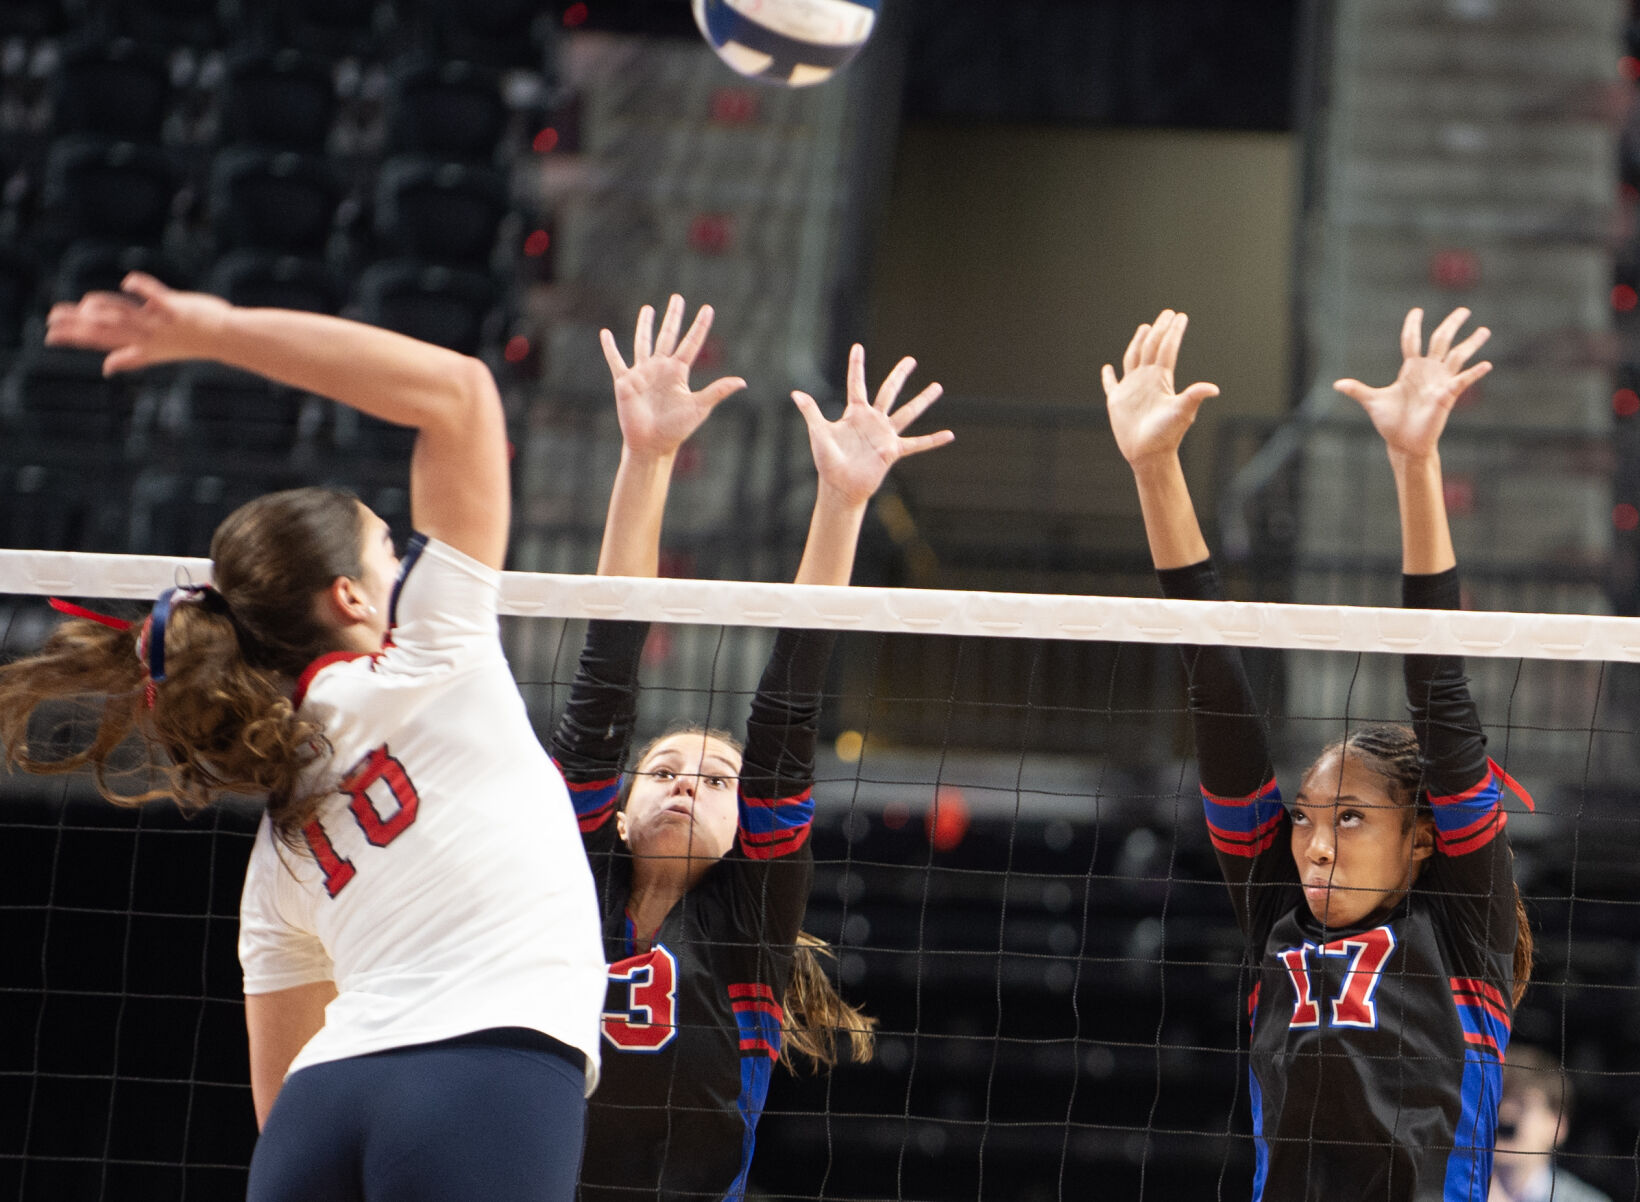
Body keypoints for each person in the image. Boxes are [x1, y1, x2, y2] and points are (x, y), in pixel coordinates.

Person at [2, 274, 606, 1202]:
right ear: (353, 597)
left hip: (320, 1115)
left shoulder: (278, 838)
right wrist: (220, 330)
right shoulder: (434, 653)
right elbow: (460, 391)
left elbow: (276, 1097)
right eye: (391, 549)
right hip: (485, 1077)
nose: (409, 561)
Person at [1104, 305, 1534, 1201]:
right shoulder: (1278, 912)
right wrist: (1154, 469)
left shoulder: (1464, 932)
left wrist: (1415, 462)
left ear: (1421, 838)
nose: (1316, 845)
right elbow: (1217, 693)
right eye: (1305, 819)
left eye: (1351, 818)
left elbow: (1440, 692)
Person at [551, 297, 952, 1202]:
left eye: (718, 779)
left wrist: (841, 502)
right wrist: (646, 458)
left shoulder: (749, 932)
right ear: (618, 812)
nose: (687, 784)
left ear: (747, 828)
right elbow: (604, 671)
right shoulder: (571, 885)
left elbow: (787, 712)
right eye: (662, 772)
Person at [1491, 1045, 1613, 1202]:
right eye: (1498, 1102)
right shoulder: (1461, 1190)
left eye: (1522, 1105)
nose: (1505, 1115)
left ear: (1557, 1125)